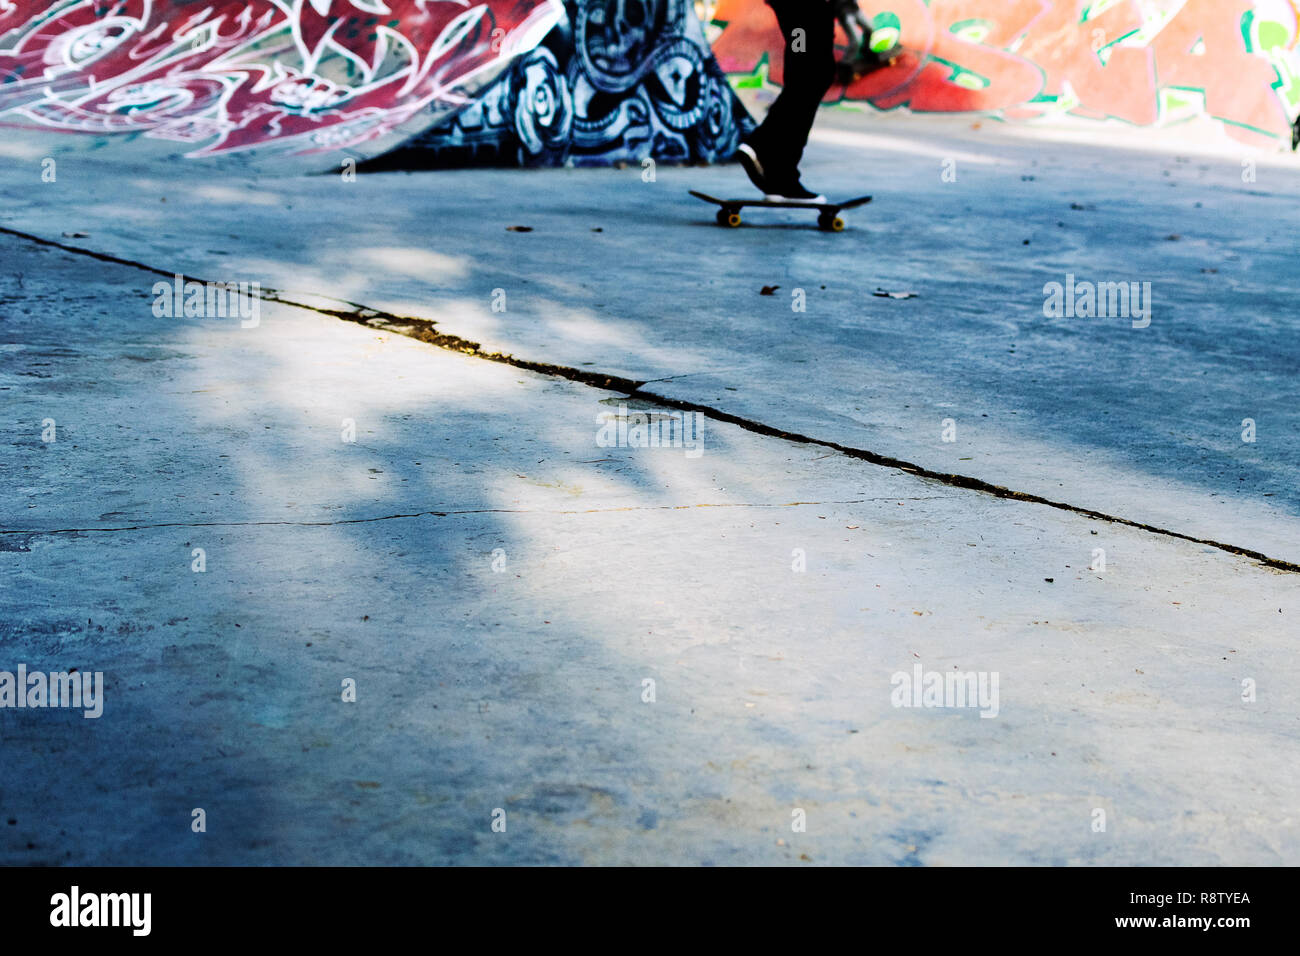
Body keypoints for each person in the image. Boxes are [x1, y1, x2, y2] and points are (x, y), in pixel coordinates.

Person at [736, 0, 888, 203]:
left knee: (805, 73)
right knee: (813, 74)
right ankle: (762, 146)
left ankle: (780, 176)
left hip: (798, 11)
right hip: (807, 9)